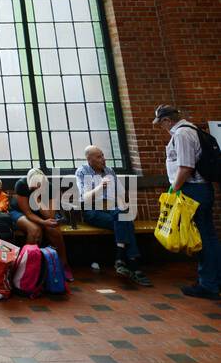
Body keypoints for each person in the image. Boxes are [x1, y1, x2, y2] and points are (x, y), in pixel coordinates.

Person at [153, 104, 220, 300]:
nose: (161, 128)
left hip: (192, 189)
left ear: (167, 120)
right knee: (207, 235)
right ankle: (213, 280)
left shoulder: (182, 134)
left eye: (161, 123)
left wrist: (174, 189)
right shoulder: (193, 129)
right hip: (201, 188)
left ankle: (208, 285)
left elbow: (186, 167)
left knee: (202, 238)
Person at [74, 146, 151, 287]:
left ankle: (122, 259)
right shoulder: (82, 171)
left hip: (112, 209)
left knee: (123, 217)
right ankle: (132, 264)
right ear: (89, 159)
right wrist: (99, 187)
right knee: (125, 222)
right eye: (99, 157)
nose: (104, 159)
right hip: (93, 211)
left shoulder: (110, 171)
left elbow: (120, 195)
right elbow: (83, 198)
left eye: (103, 155)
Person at [12, 167, 73, 281]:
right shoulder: (21, 185)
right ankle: (26, 267)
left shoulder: (50, 188)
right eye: (34, 186)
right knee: (34, 230)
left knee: (54, 231)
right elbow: (28, 213)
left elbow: (49, 215)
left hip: (40, 213)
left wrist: (37, 199)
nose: (37, 188)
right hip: (20, 213)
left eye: (40, 185)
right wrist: (42, 222)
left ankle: (63, 265)